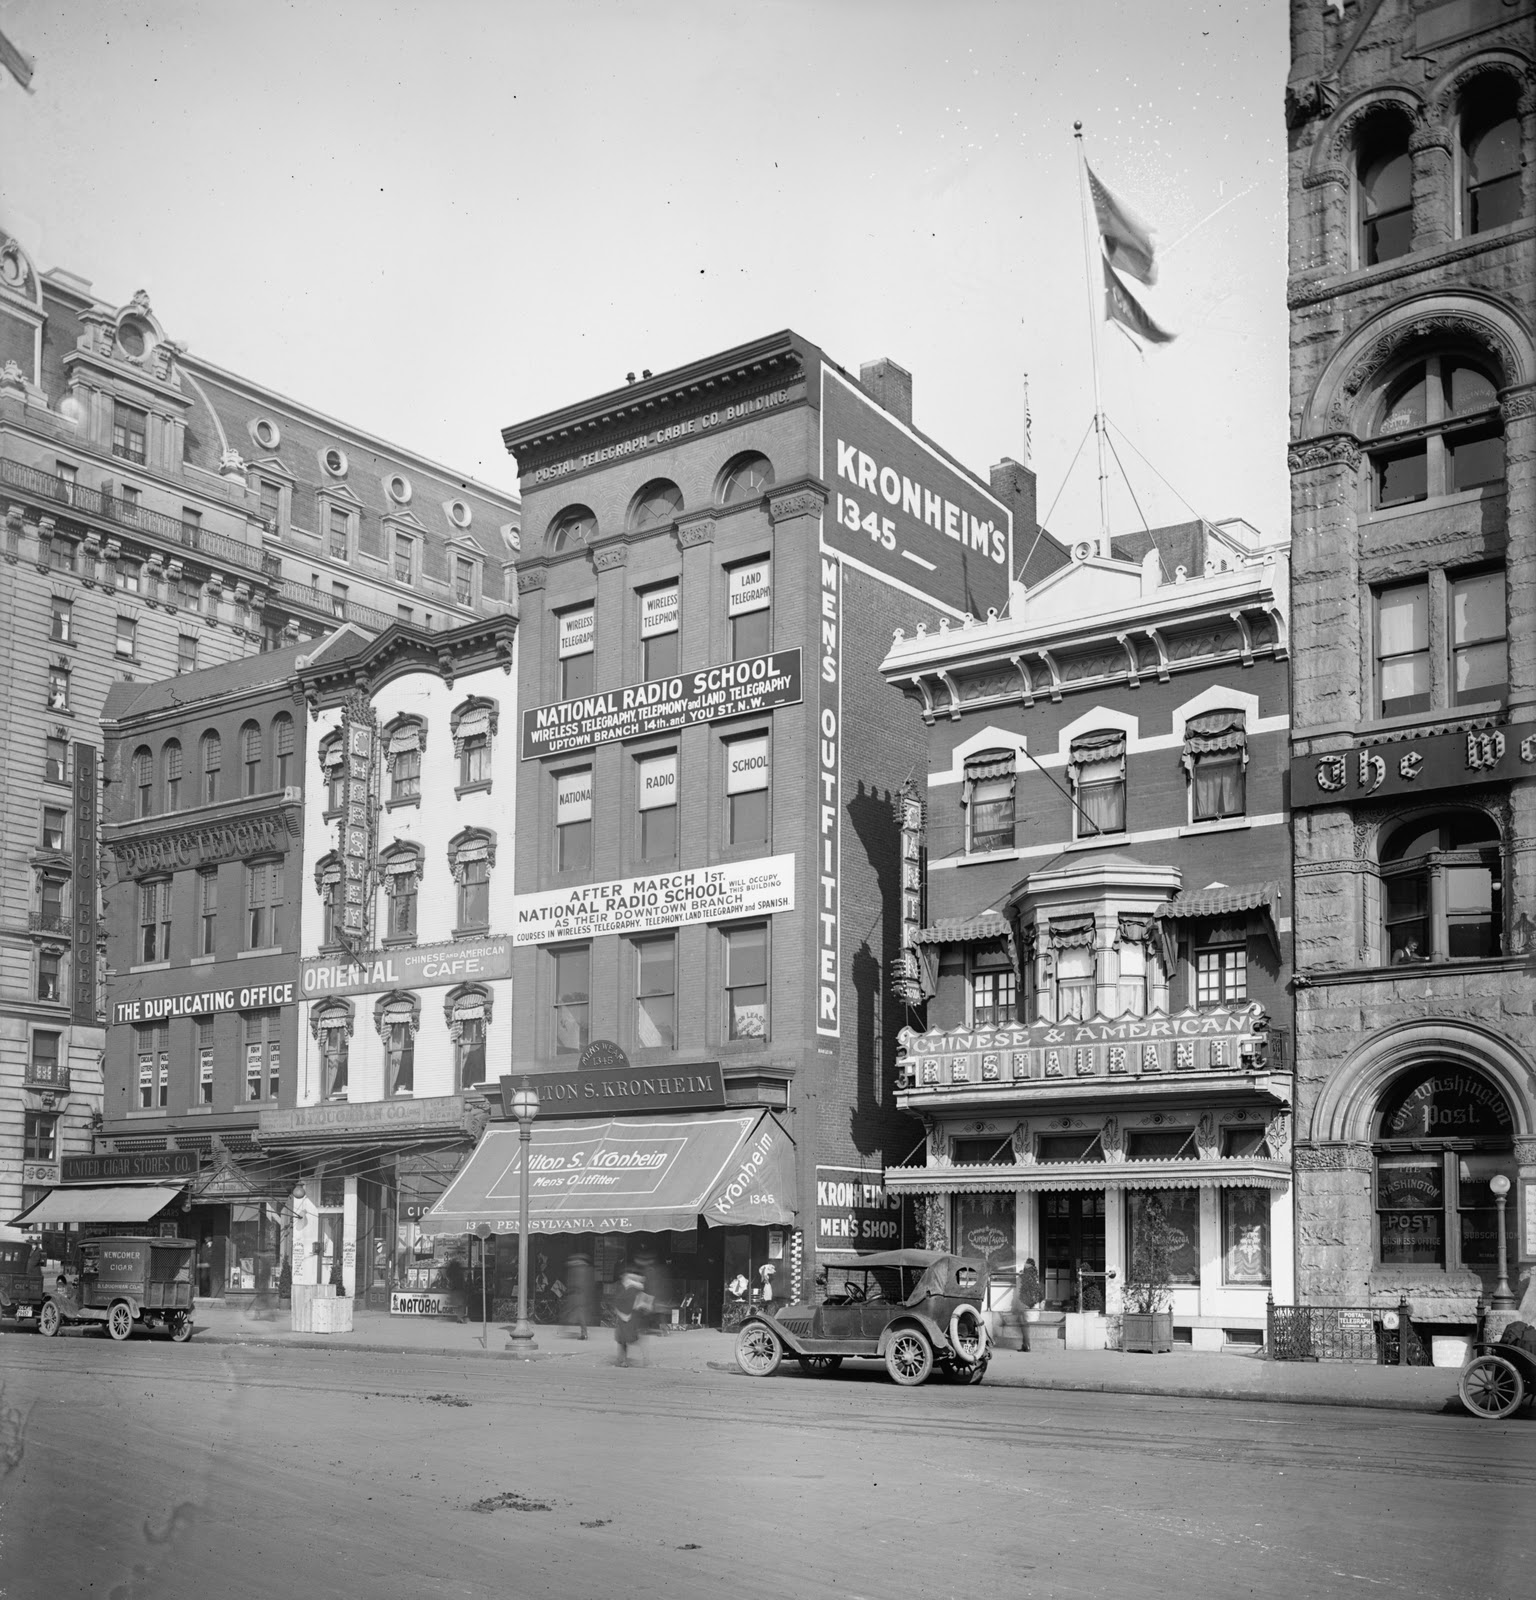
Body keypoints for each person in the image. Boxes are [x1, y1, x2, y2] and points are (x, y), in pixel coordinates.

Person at [611, 1268, 646, 1367]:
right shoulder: (638, 1288)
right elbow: (640, 1303)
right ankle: (640, 1359)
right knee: (630, 1339)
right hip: (632, 1317)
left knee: (622, 1340)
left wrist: (617, 1310)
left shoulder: (626, 1287)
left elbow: (619, 1300)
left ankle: (623, 1360)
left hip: (624, 1317)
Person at [564, 1253, 595, 1341]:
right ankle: (583, 1332)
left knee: (579, 1315)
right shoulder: (585, 1269)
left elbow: (578, 1283)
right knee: (577, 1314)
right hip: (580, 1296)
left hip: (578, 1296)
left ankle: (584, 1333)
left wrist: (573, 1290)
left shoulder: (580, 1270)